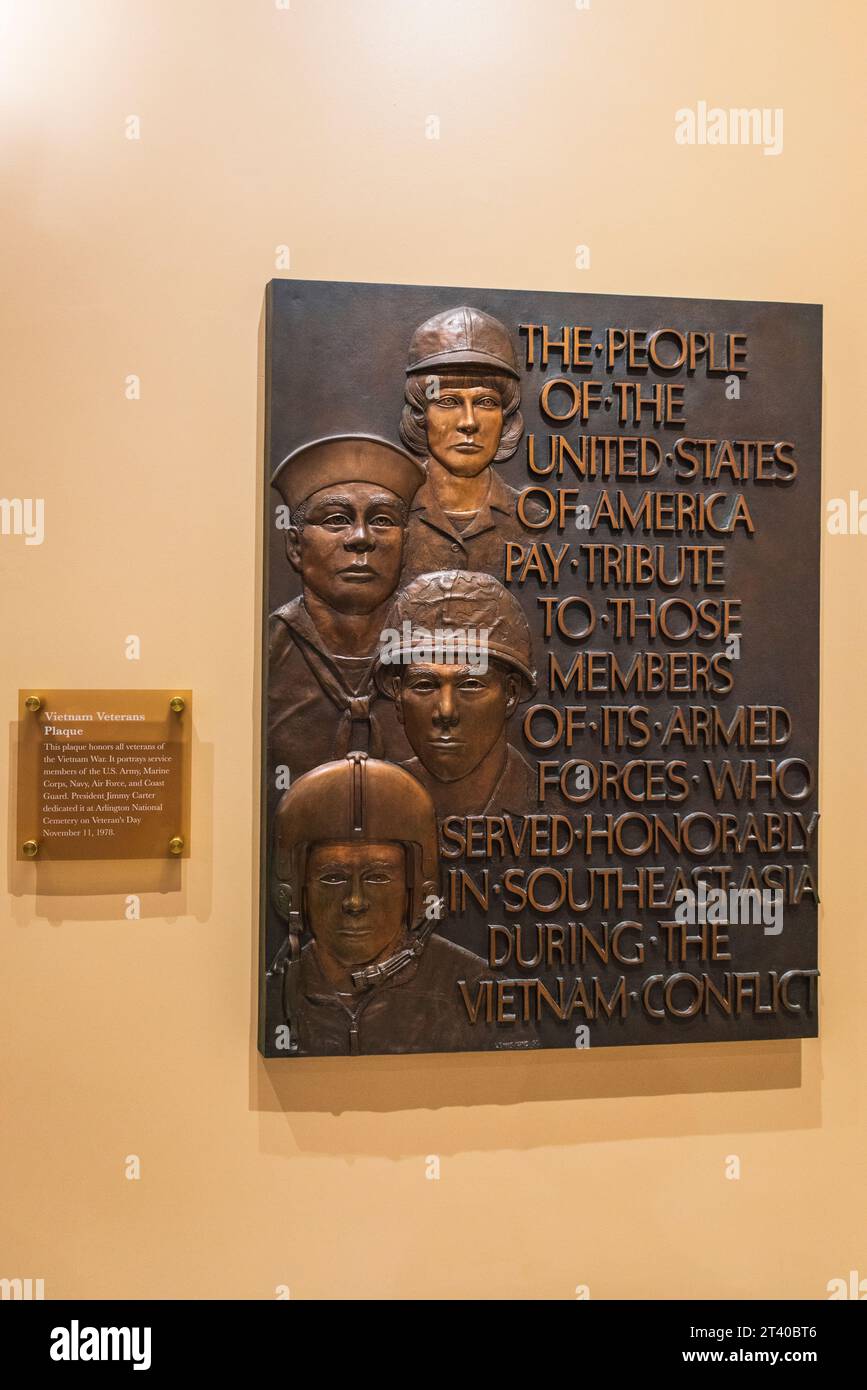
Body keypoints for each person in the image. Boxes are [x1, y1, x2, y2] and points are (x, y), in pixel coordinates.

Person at [269, 753, 489, 1056]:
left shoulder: (473, 985)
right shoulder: (273, 992)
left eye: (378, 877)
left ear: (416, 887)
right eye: (333, 877)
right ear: (295, 889)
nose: (354, 902)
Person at [269, 434, 424, 778]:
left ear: (406, 545)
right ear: (295, 546)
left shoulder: (434, 645)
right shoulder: (265, 652)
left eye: (382, 520)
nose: (360, 538)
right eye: (336, 519)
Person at [398, 306, 546, 582]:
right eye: (448, 402)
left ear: (506, 417)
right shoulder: (387, 519)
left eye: (486, 402)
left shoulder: (537, 523)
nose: (468, 422)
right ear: (420, 414)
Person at [378, 570, 538, 819]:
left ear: (511, 694)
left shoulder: (557, 805)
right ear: (398, 696)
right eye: (424, 685)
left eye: (471, 684)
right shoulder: (376, 805)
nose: (446, 711)